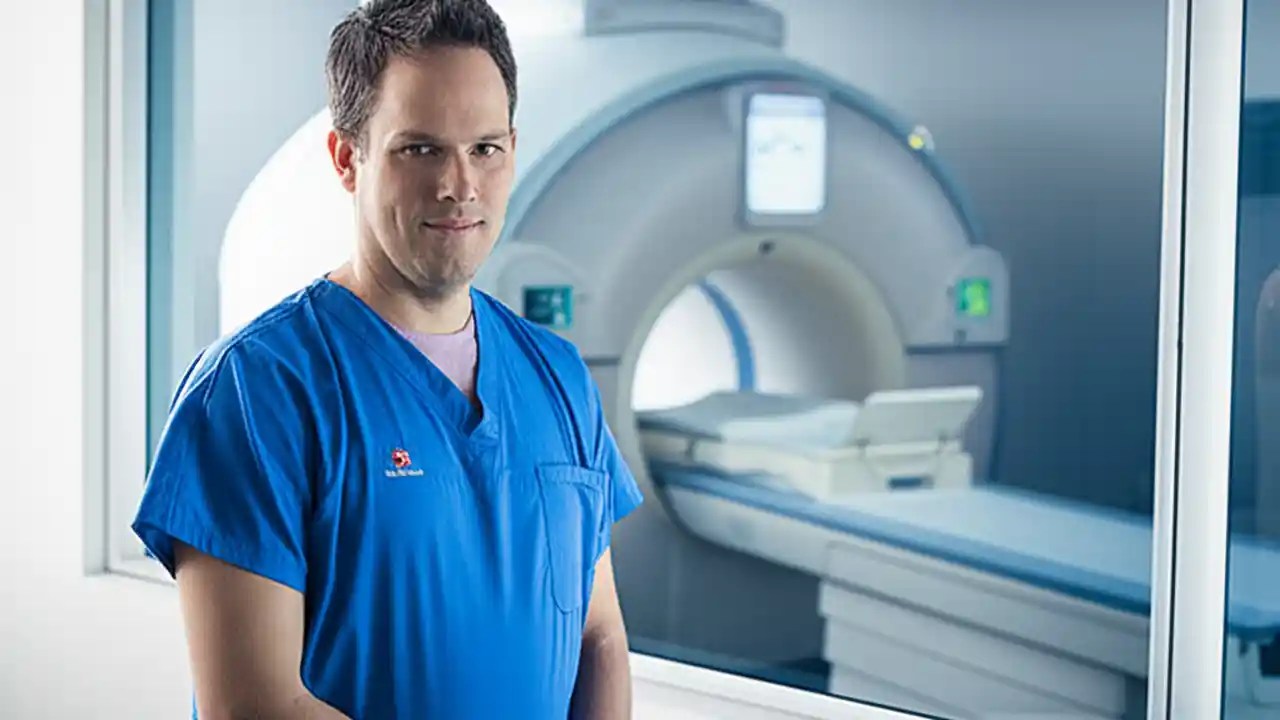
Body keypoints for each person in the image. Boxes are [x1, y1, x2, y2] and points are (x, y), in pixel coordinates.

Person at [131, 1, 644, 717]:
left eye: (485, 149)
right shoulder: (257, 392)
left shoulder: (558, 380)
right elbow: (255, 705)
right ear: (348, 159)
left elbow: (598, 637)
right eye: (421, 149)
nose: (460, 185)